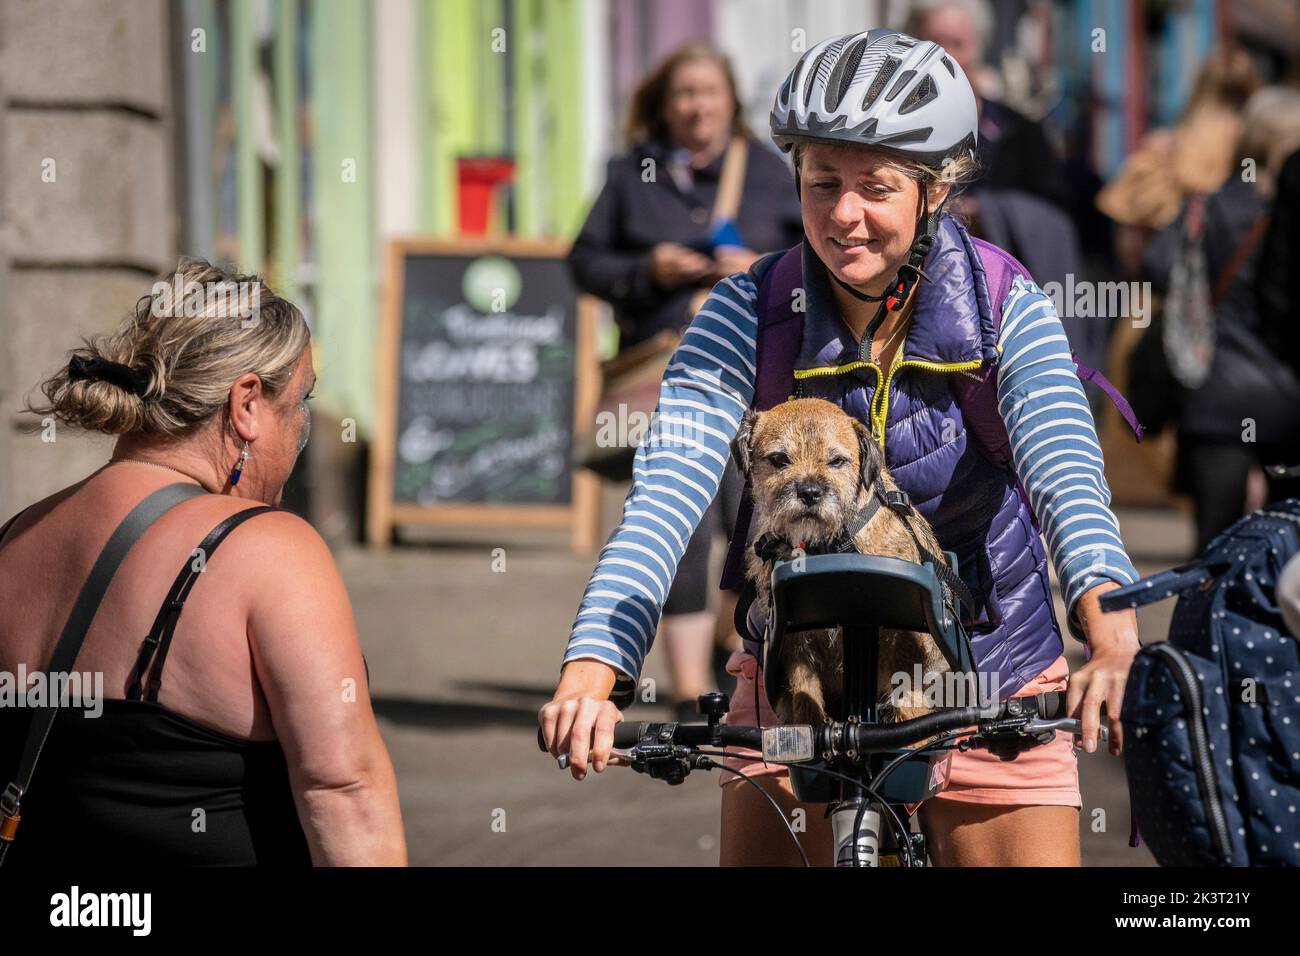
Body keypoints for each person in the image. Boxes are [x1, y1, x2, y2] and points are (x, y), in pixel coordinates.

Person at [542, 29, 1143, 867]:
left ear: (935, 191)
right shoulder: (744, 314)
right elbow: (664, 500)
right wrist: (595, 664)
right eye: (822, 183)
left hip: (986, 664)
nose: (844, 215)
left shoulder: (1006, 306)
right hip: (800, 674)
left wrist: (1109, 632)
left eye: (876, 187)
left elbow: (1066, 474)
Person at [0, 259, 406, 865]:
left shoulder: (18, 534)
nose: (299, 431)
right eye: (300, 404)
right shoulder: (267, 550)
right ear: (246, 403)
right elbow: (343, 790)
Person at [568, 42, 804, 717]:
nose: (696, 105)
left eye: (708, 91)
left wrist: (758, 265)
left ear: (731, 99)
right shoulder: (630, 174)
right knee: (683, 523)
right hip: (664, 370)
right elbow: (584, 262)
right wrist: (650, 271)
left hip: (760, 378)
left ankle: (749, 663)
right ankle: (687, 691)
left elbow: (814, 262)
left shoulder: (770, 170)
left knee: (754, 517)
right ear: (664, 104)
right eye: (683, 93)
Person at [1143, 87, 1300, 552]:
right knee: (1287, 546)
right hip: (1286, 395)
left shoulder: (1206, 206)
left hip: (1213, 395)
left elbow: (1156, 265)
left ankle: (1205, 623)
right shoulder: (1286, 211)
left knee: (1213, 546)